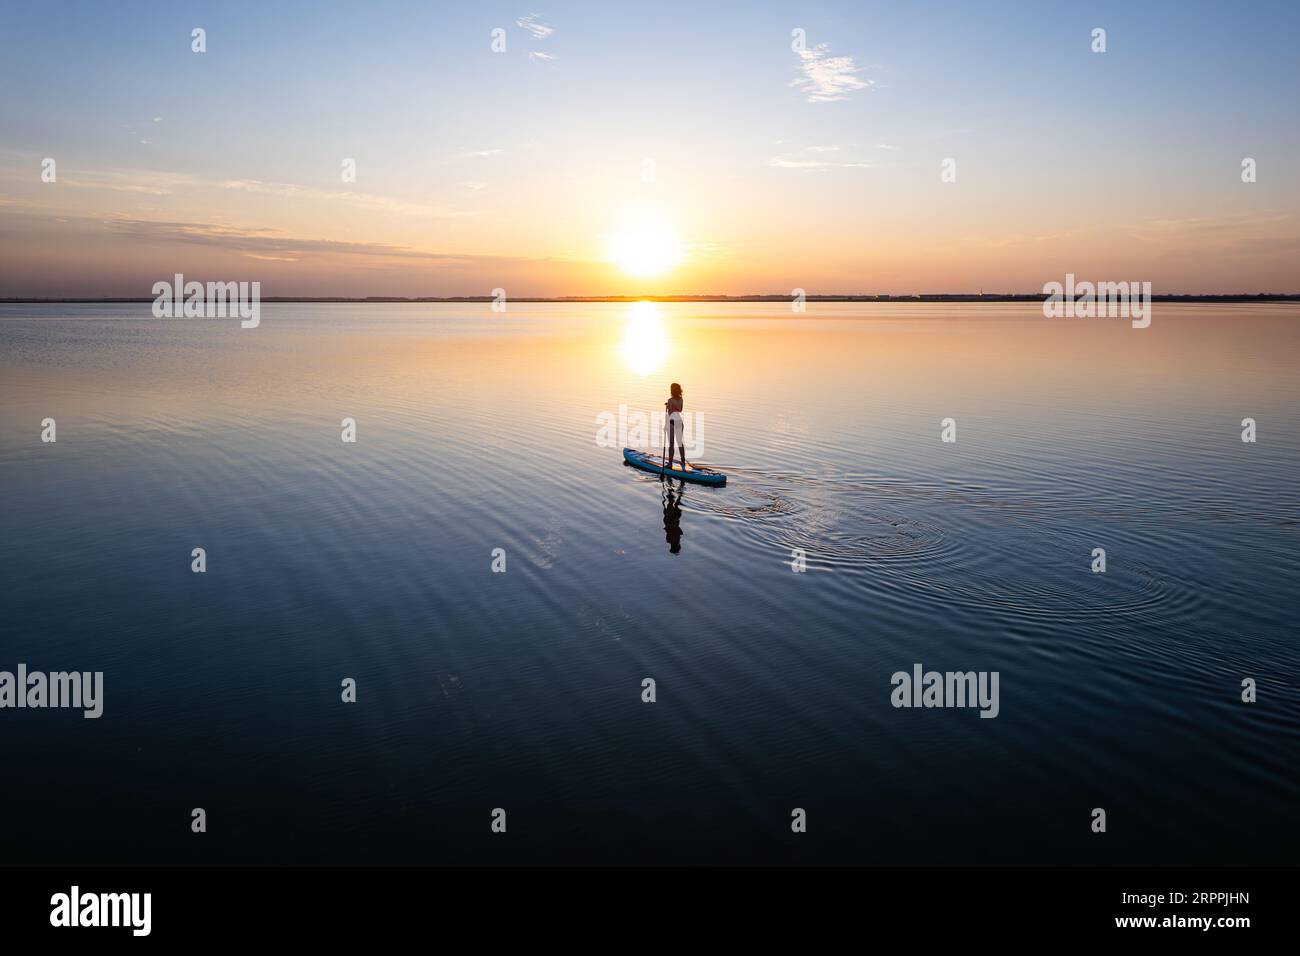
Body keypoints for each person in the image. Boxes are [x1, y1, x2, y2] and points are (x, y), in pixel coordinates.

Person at [664, 382, 688, 472]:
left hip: (672, 422)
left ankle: (670, 464)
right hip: (679, 422)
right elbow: (680, 410)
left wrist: (668, 406)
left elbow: (670, 413)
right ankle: (683, 461)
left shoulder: (670, 400)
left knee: (671, 444)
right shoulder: (681, 399)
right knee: (680, 442)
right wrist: (671, 406)